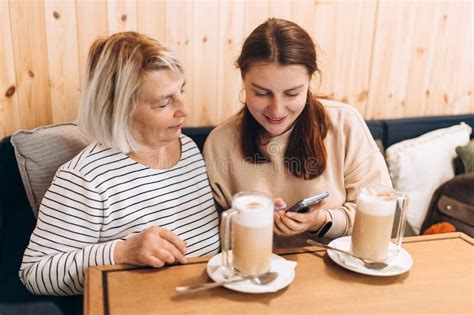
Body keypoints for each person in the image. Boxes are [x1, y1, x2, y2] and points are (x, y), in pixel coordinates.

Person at [19, 32, 220, 295]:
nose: (184, 109)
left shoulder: (188, 148)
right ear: (119, 109)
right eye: (163, 103)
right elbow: (35, 273)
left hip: (212, 296)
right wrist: (121, 252)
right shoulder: (85, 178)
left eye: (182, 90)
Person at [203, 18, 392, 248]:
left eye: (292, 94)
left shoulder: (344, 124)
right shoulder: (219, 144)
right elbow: (214, 236)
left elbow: (383, 214)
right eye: (262, 93)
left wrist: (320, 220)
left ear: (310, 81)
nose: (277, 109)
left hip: (335, 274)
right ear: (243, 79)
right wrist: (252, 219)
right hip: (253, 276)